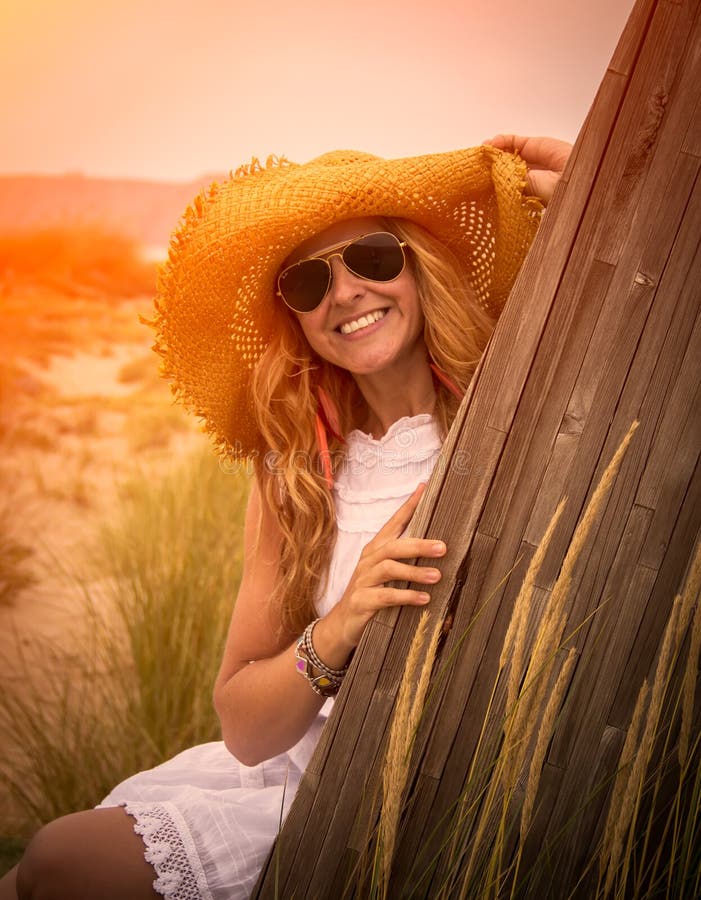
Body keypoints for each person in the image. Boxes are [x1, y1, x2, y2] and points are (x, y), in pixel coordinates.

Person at [0, 135, 570, 900]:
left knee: (53, 868)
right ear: (293, 317)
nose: (343, 295)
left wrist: (597, 186)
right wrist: (340, 625)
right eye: (307, 282)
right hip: (317, 778)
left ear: (416, 264)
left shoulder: (518, 404)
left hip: (464, 787)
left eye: (371, 258)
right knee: (46, 865)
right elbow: (243, 726)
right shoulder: (293, 471)